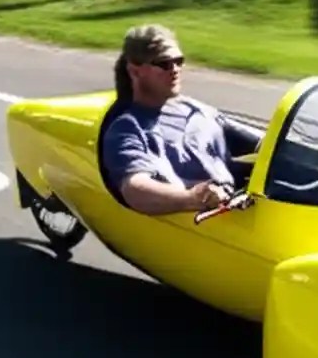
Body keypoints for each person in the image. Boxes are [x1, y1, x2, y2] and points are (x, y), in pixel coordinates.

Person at [101, 24, 248, 215]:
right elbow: (135, 188)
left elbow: (267, 145)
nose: (175, 69)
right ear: (135, 71)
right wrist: (192, 198)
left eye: (179, 61)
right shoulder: (128, 128)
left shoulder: (196, 109)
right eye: (164, 64)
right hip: (200, 219)